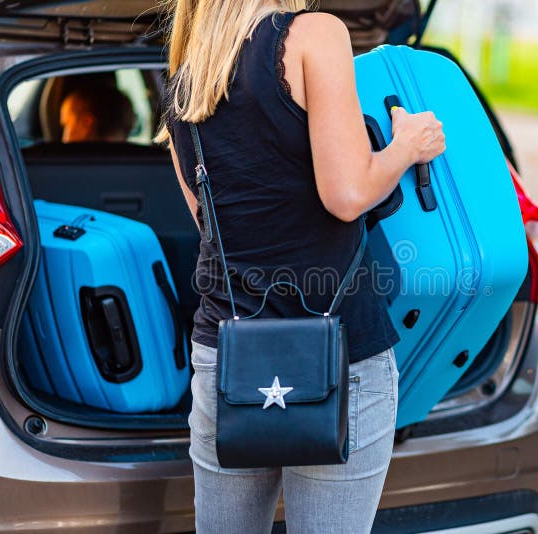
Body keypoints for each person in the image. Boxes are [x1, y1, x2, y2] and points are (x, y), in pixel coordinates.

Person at [157, 1, 445, 532]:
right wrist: (406, 147)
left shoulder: (184, 83)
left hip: (226, 353)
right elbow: (348, 194)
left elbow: (213, 227)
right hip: (337, 356)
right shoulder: (315, 35)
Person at [59, 84, 136, 143]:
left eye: (67, 125)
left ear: (86, 123)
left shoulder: (69, 162)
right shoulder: (138, 160)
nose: (63, 139)